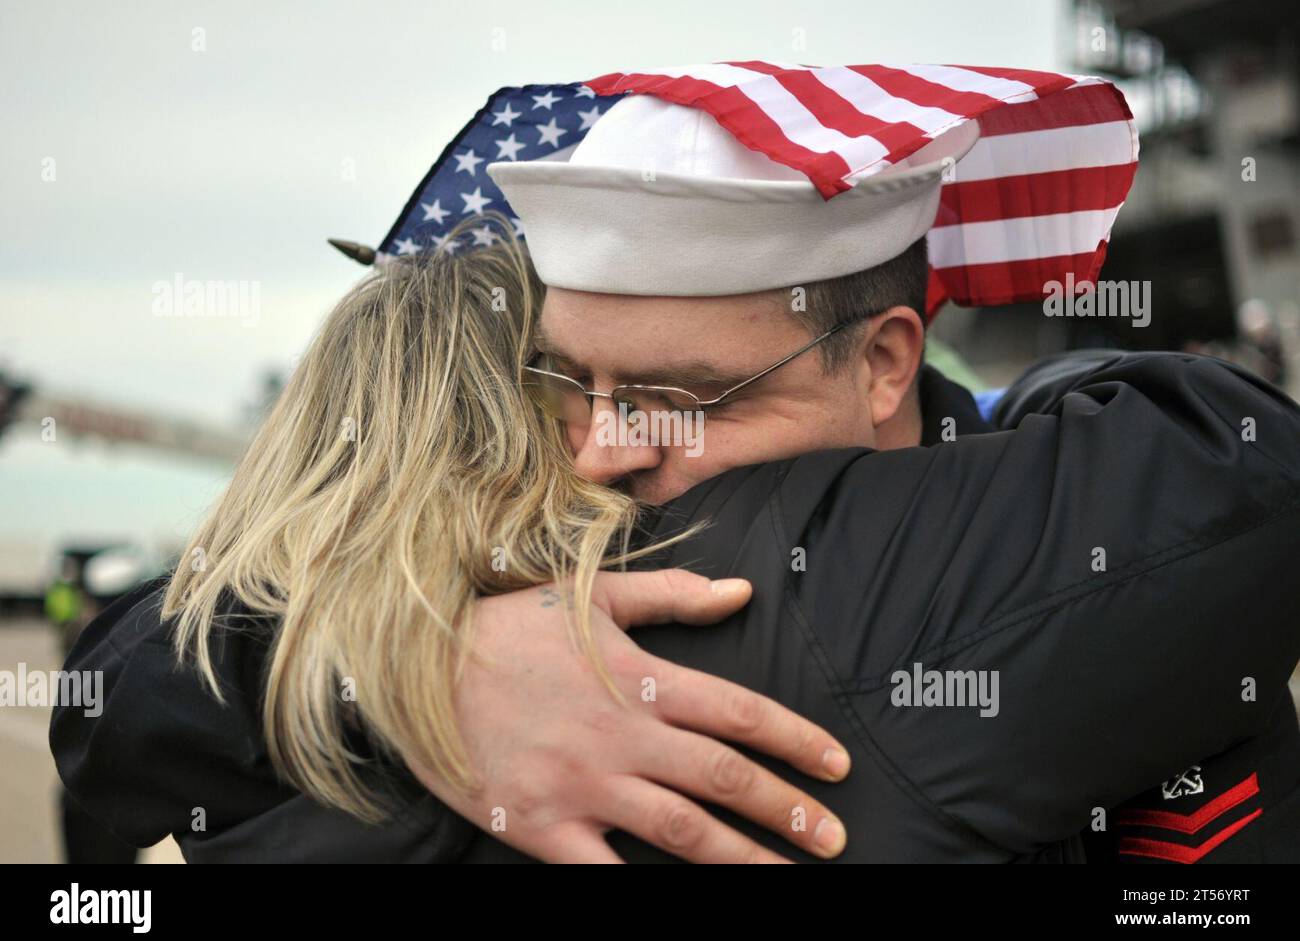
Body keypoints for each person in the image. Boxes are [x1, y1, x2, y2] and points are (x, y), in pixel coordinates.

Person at [55, 65, 1300, 862]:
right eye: (568, 385)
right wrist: (410, 652)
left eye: (675, 399)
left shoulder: (1063, 490)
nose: (601, 448)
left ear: (882, 361)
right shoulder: (566, 589)